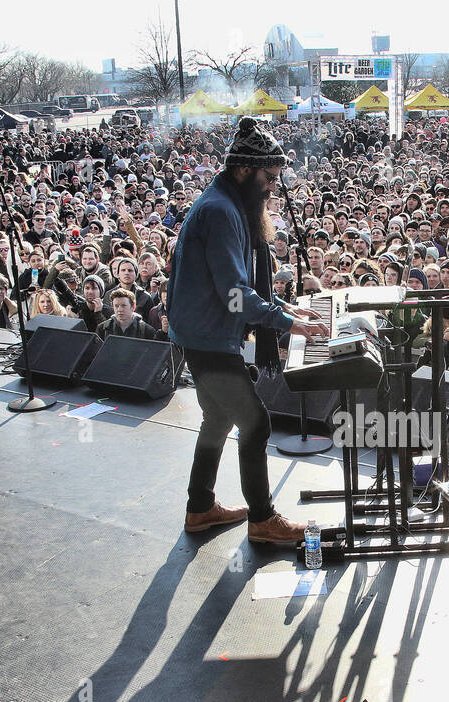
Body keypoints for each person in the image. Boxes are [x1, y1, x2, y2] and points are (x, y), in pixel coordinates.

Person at [165, 118, 329, 545]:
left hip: (200, 332)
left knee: (217, 418)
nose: (273, 187)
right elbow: (235, 296)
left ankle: (200, 508)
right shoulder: (221, 212)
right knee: (255, 424)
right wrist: (287, 322)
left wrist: (283, 306)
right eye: (269, 178)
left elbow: (240, 290)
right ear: (243, 170)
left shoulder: (224, 202)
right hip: (208, 338)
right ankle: (262, 519)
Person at [97, 289, 164, 340]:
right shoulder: (103, 329)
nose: (119, 309)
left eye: (124, 306)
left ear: (133, 307)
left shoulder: (147, 330)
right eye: (116, 306)